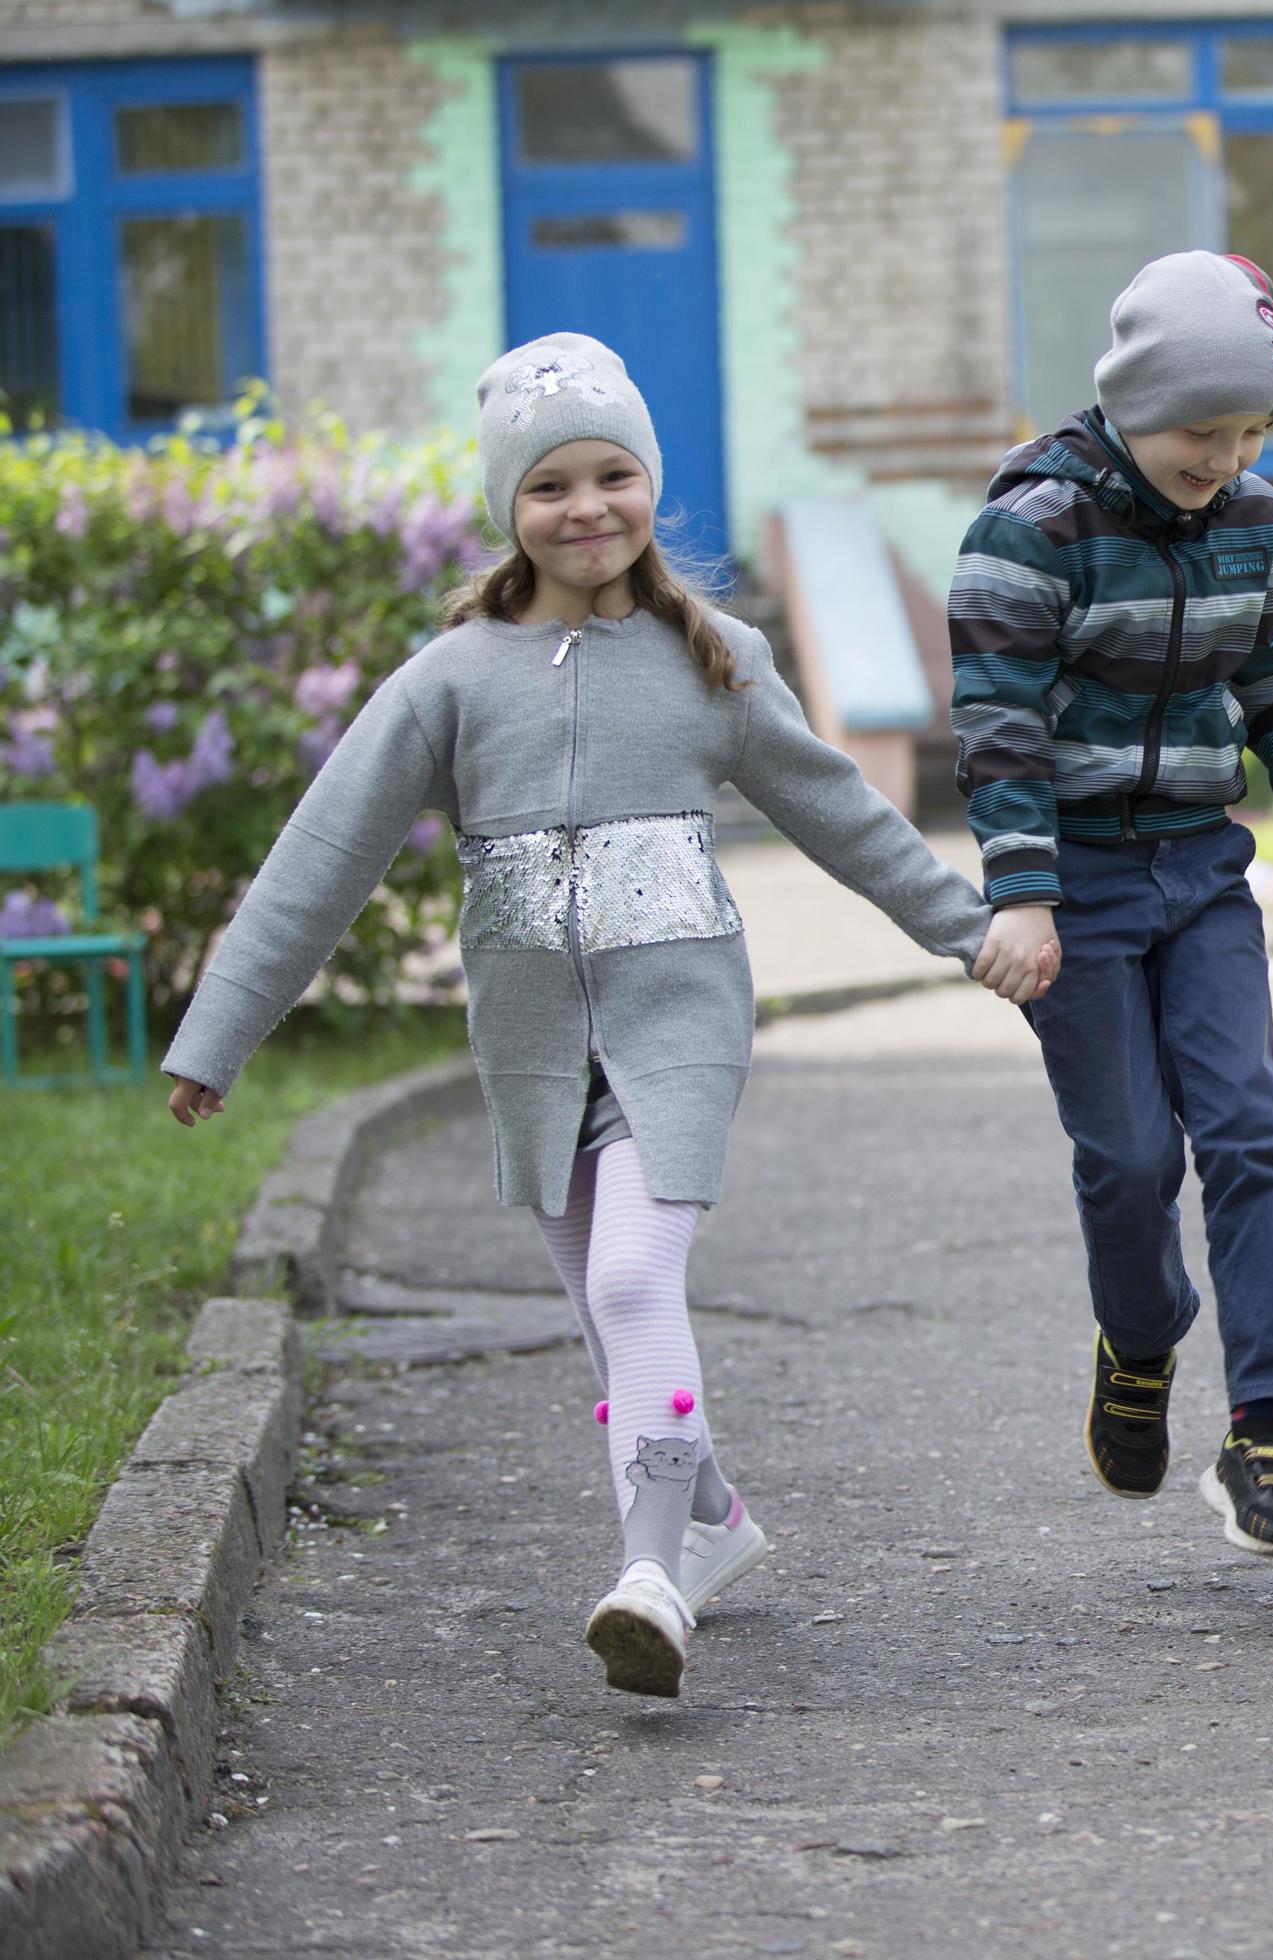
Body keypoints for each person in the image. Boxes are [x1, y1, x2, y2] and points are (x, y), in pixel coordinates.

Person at [163, 333, 1002, 1694]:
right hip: (536, 1053)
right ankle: (715, 1522)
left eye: (615, 476)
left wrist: (972, 935)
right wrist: (220, 1032)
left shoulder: (713, 660)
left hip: (679, 1028)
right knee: (611, 1326)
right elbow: (323, 859)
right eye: (551, 485)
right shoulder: (450, 683)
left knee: (631, 1280)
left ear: (649, 489)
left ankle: (652, 1576)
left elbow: (842, 813)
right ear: (511, 509)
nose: (588, 508)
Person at [949, 252, 1273, 1562]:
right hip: (1076, 884)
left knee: (1249, 1134)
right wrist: (1019, 896)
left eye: (1248, 432)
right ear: (1127, 400)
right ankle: (1140, 1334)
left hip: (1201, 867)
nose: (1223, 458)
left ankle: (1267, 1430)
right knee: (1129, 1163)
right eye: (1200, 430)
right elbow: (998, 726)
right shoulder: (1036, 526)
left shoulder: (1251, 518)